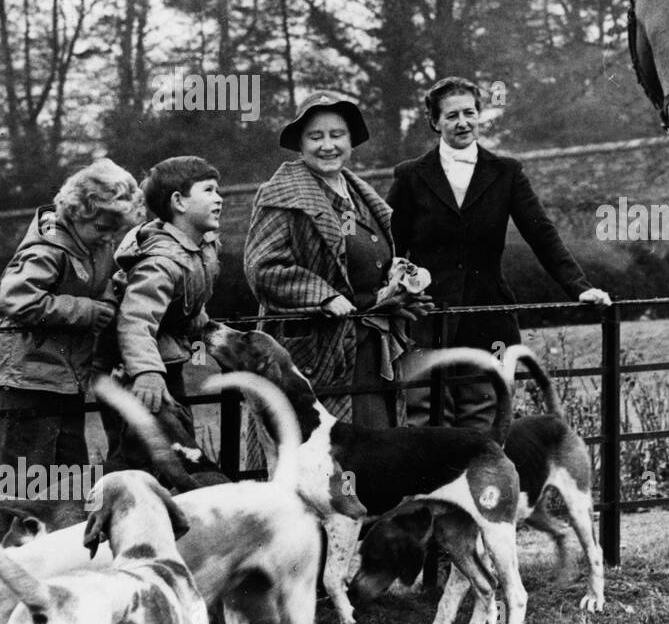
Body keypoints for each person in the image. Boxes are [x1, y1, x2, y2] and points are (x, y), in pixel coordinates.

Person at [387, 76, 611, 431]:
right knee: (427, 421)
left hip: (487, 316)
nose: (462, 122)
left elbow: (541, 232)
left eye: (469, 113)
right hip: (426, 320)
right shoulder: (411, 176)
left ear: (479, 115)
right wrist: (387, 297)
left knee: (484, 419)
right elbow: (390, 247)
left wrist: (578, 286)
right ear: (434, 122)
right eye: (451, 116)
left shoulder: (506, 172)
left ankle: (485, 488)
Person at [245, 91, 408, 433]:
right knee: (319, 458)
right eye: (315, 137)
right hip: (314, 355)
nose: (327, 145)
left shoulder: (359, 191)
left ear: (351, 141)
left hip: (369, 348)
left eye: (337, 135)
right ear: (300, 145)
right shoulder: (282, 194)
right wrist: (324, 296)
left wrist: (400, 270)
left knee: (375, 448)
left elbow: (386, 247)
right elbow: (263, 268)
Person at [0, 159, 141, 473]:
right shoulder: (47, 248)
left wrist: (107, 298)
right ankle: (11, 523)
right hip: (30, 381)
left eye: (115, 231)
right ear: (78, 212)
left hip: (66, 378)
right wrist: (87, 311)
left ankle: (65, 522)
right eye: (103, 228)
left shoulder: (91, 241)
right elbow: (15, 297)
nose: (108, 238)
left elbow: (99, 282)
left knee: (69, 475)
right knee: (24, 478)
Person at [107, 156, 222, 471]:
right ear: (179, 202)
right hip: (136, 371)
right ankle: (106, 511)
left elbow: (186, 305)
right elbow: (135, 320)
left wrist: (208, 329)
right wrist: (145, 371)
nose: (219, 198)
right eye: (209, 190)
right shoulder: (161, 261)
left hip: (167, 361)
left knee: (176, 446)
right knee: (141, 454)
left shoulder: (199, 248)